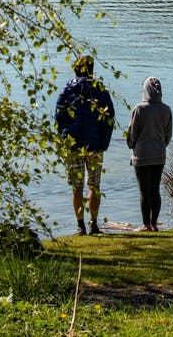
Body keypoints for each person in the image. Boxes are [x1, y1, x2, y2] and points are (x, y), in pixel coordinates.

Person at [55, 55, 115, 236]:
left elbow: (59, 117)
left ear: (76, 69)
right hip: (95, 145)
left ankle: (80, 226)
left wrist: (64, 137)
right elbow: (109, 118)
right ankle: (93, 224)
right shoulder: (101, 90)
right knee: (94, 186)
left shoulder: (67, 90)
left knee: (77, 187)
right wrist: (104, 142)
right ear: (92, 70)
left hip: (73, 146)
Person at [126, 76, 172, 232]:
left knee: (144, 191)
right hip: (159, 154)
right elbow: (168, 135)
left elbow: (132, 133)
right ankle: (154, 223)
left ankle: (145, 224)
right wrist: (161, 145)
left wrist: (132, 146)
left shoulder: (139, 109)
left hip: (141, 155)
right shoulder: (166, 109)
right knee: (155, 189)